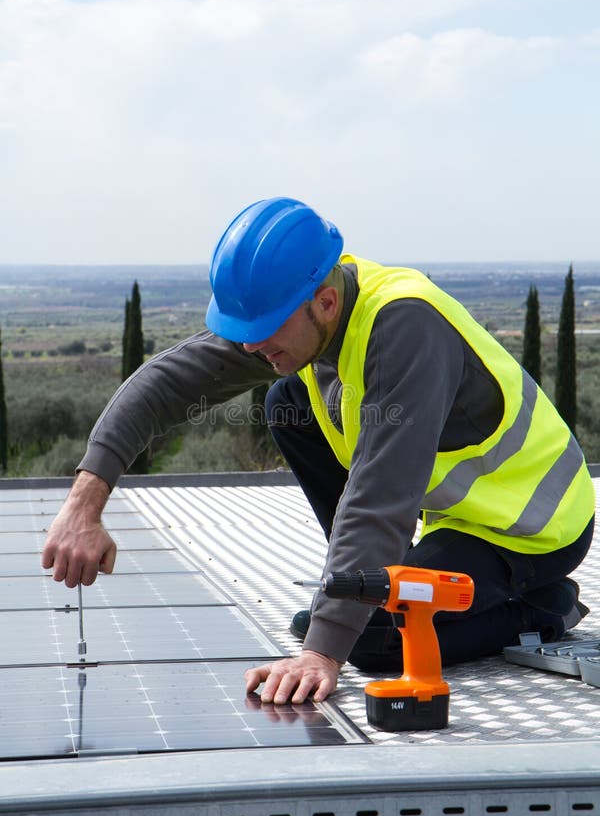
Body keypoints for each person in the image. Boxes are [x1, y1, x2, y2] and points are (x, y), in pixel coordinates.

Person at [42, 197, 595, 707]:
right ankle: (359, 586)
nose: (250, 346)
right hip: (461, 517)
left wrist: (325, 650)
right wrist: (84, 503)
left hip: (530, 528)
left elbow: (380, 495)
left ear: (325, 303)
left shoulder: (406, 327)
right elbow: (168, 383)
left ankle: (547, 605)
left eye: (260, 330)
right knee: (289, 400)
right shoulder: (306, 309)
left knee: (375, 639)